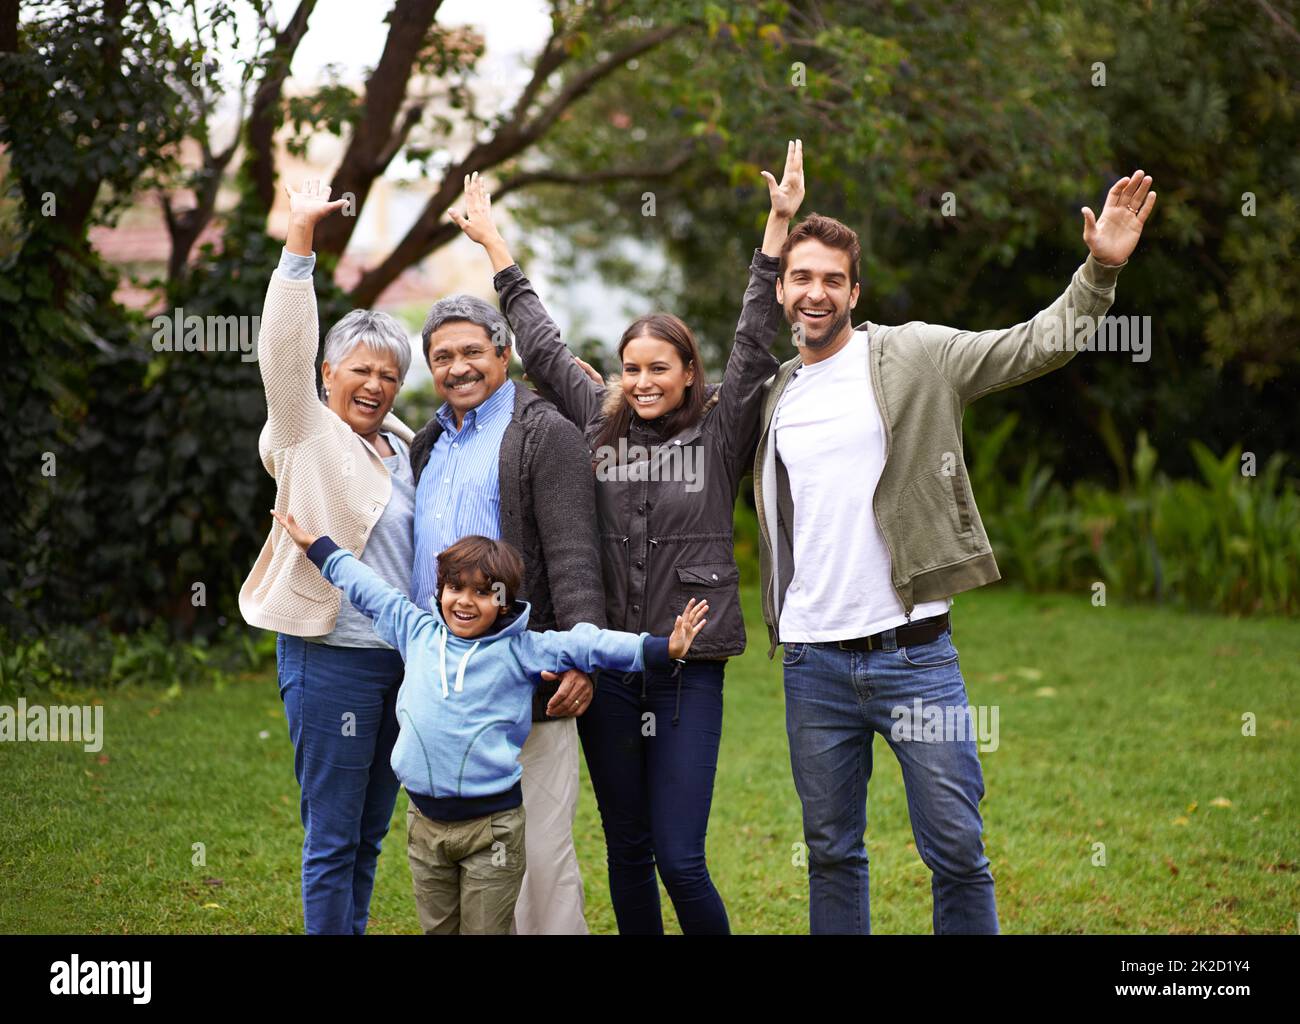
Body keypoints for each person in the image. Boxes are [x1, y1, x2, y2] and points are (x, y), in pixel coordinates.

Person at [753, 170, 1158, 934]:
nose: (815, 293)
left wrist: (1101, 270)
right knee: (832, 852)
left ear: (855, 293)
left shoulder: (916, 356)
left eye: (832, 281)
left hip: (915, 657)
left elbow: (1033, 345)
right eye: (799, 277)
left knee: (957, 849)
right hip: (812, 661)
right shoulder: (774, 393)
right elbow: (676, 414)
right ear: (780, 289)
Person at [447, 141, 806, 933]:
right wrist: (495, 246)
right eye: (630, 367)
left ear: (687, 373)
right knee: (628, 851)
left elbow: (753, 343)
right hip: (610, 666)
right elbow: (539, 344)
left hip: (688, 672)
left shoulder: (720, 434)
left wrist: (776, 233)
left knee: (680, 854)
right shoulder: (596, 421)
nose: (641, 381)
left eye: (658, 368)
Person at [269, 510, 709, 934]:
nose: (464, 601)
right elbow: (368, 588)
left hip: (492, 831)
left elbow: (586, 644)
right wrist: (319, 549)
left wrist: (659, 648)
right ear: (440, 590)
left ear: (503, 602)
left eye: (482, 593)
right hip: (424, 827)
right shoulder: (416, 632)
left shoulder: (523, 649)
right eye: (454, 588)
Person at [238, 179, 417, 934]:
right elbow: (283, 346)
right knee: (333, 838)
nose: (375, 384)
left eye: (389, 373)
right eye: (361, 370)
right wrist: (299, 245)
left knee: (371, 836)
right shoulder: (307, 431)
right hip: (331, 655)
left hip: (399, 663)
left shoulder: (407, 446)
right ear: (327, 375)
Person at [408, 285, 604, 935]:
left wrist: (581, 655)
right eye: (442, 356)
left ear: (504, 352)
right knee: (464, 865)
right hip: (445, 688)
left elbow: (575, 554)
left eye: (471, 351)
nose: (457, 366)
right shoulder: (427, 443)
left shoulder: (543, 432)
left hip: (527, 681)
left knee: (539, 856)